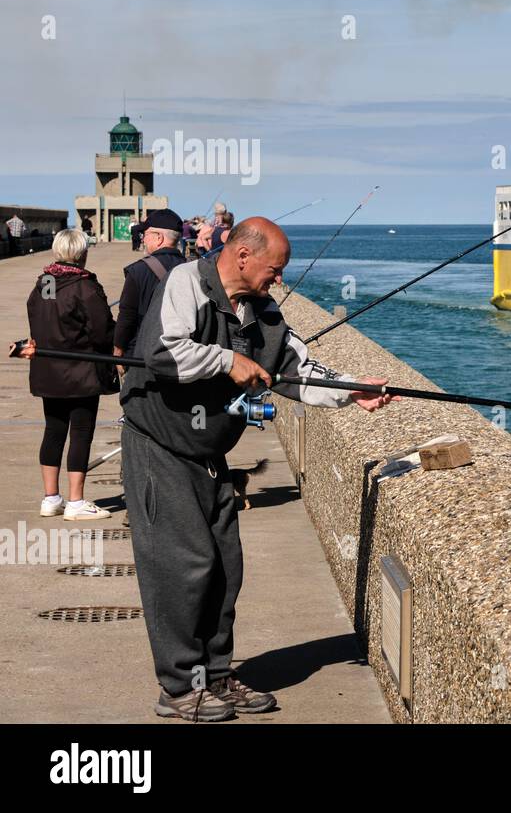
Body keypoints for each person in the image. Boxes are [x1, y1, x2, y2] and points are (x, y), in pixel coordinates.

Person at [119, 216, 394, 721]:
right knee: (183, 567)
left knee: (225, 566)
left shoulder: (264, 312)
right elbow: (162, 354)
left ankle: (217, 677)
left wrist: (352, 390)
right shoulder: (187, 282)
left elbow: (294, 370)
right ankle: (180, 686)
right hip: (159, 446)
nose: (279, 279)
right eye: (275, 268)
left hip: (208, 454)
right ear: (243, 255)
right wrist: (228, 361)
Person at [19, 229, 116, 520]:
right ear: (82, 253)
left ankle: (51, 498)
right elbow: (102, 331)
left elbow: (36, 316)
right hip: (80, 371)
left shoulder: (43, 282)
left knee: (53, 431)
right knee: (81, 432)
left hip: (48, 369)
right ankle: (75, 501)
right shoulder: (84, 286)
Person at [113, 208, 187, 362]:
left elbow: (127, 316)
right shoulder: (194, 268)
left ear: (159, 237)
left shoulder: (138, 270)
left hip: (143, 355)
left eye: (145, 235)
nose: (143, 240)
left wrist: (118, 349)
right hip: (182, 354)